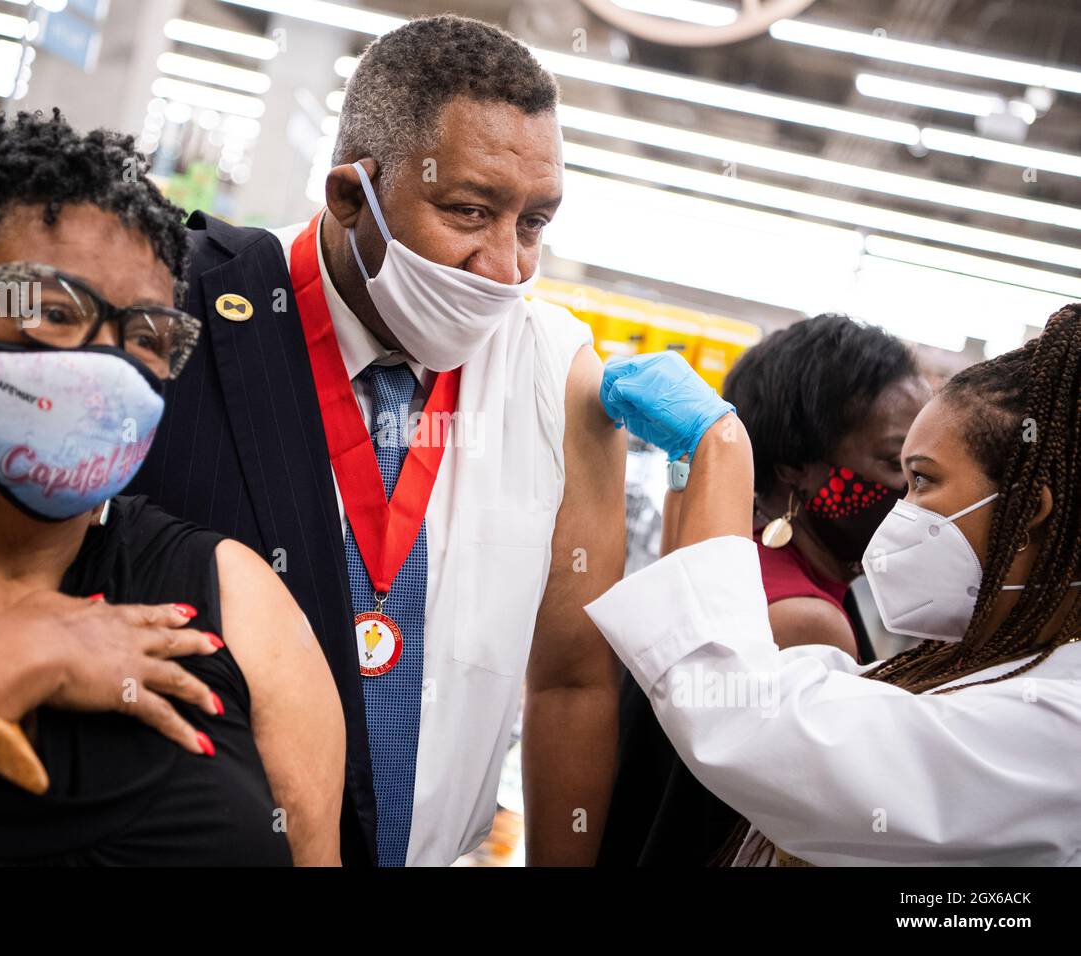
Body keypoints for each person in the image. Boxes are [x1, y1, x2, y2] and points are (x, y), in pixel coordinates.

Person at [0, 110, 344, 866]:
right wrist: (10, 659)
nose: (106, 367)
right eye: (51, 314)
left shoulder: (234, 598)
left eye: (144, 335)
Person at [128, 14, 626, 866]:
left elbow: (574, 680)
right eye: (469, 211)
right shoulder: (190, 317)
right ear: (350, 197)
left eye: (534, 224)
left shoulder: (557, 377)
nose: (504, 267)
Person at [589, 303, 1081, 865]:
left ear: (1029, 511)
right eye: (904, 471)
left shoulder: (1054, 724)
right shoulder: (995, 675)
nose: (900, 499)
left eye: (921, 478)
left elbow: (748, 719)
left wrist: (719, 451)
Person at [599, 315, 928, 865]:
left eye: (924, 470)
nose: (910, 492)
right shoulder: (806, 620)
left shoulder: (732, 555)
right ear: (797, 467)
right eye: (896, 463)